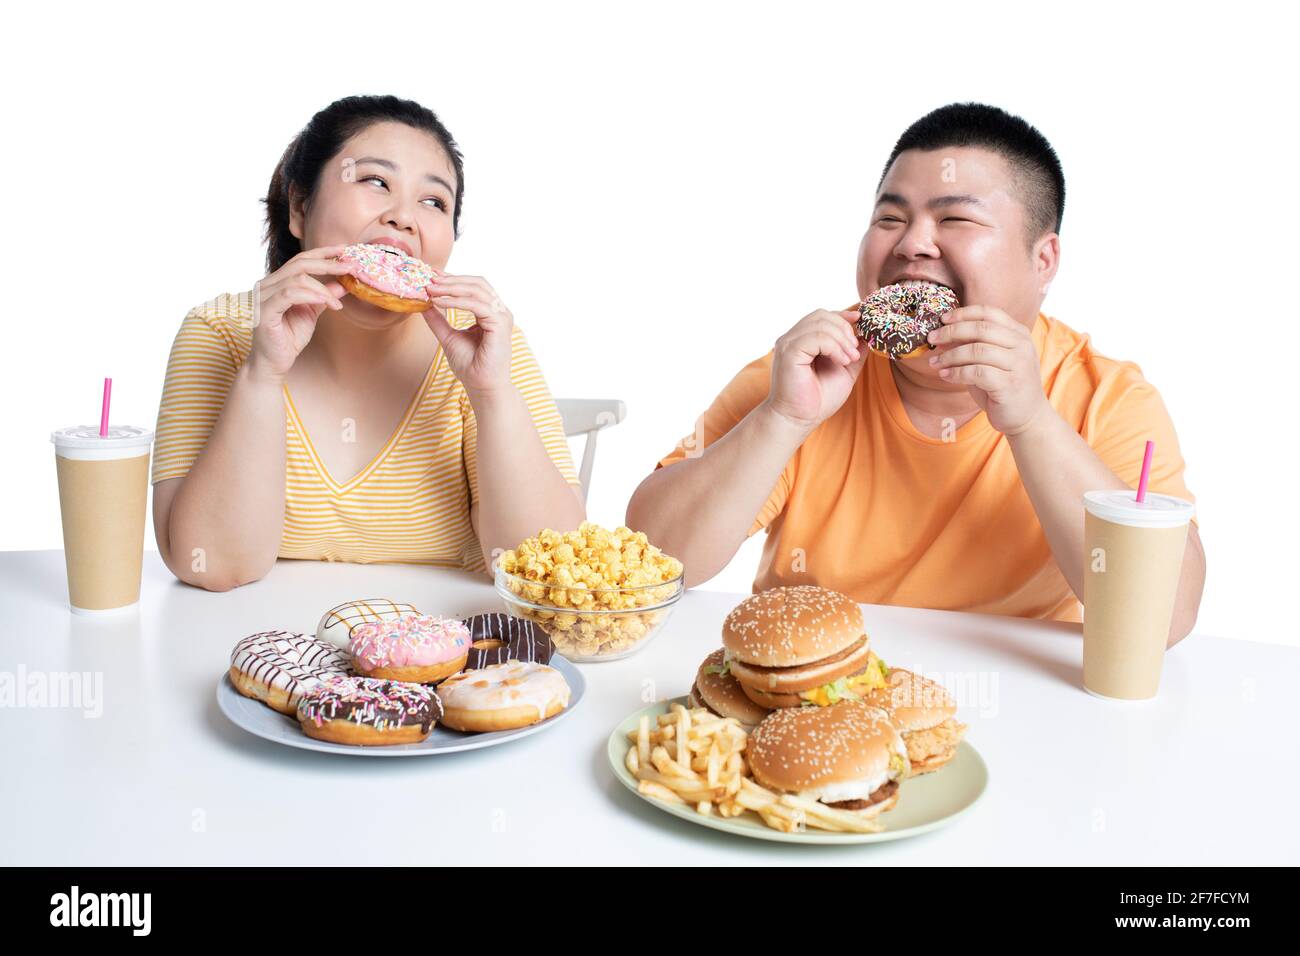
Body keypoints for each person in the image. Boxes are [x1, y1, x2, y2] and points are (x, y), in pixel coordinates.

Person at [627, 102, 1204, 645]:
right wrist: (784, 418)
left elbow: (1163, 621)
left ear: (1043, 259)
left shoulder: (1107, 396)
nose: (912, 243)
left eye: (954, 217)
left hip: (1025, 703)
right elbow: (650, 565)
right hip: (812, 689)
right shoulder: (804, 373)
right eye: (890, 217)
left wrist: (1032, 423)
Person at [152, 95, 584, 591]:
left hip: (462, 654)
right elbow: (215, 564)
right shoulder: (222, 330)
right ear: (299, 206)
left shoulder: (481, 338)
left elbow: (546, 568)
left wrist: (492, 394)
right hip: (267, 648)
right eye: (375, 181)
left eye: (434, 202)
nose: (404, 217)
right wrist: (262, 375)